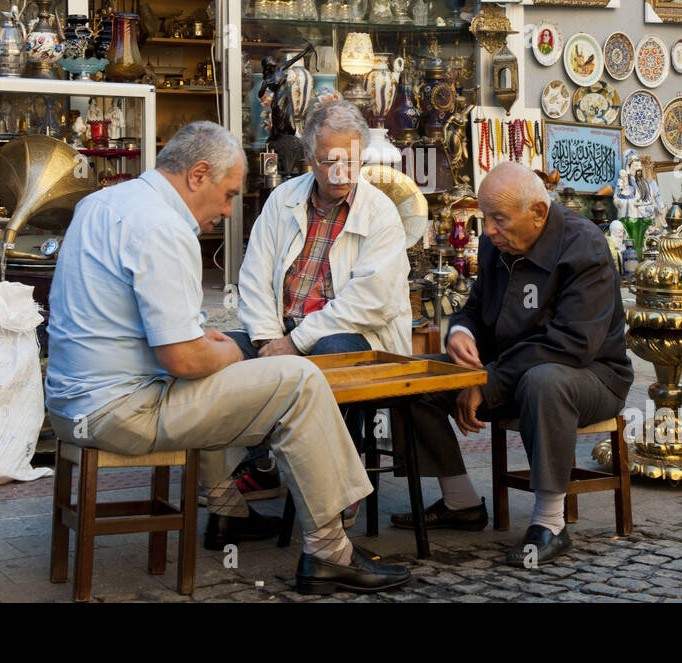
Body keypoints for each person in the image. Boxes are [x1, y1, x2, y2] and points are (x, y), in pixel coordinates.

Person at [44, 121, 410, 595]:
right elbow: (183, 360)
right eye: (229, 194)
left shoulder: (102, 202)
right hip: (119, 410)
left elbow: (160, 335)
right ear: (198, 174)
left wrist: (220, 348)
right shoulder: (162, 226)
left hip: (69, 406)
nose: (227, 209)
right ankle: (329, 549)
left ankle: (229, 509)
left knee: (256, 366)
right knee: (298, 381)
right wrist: (232, 352)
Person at [390, 161, 633, 565]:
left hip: (593, 376)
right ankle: (461, 500)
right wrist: (461, 334)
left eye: (498, 219)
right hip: (506, 370)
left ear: (538, 213)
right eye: (485, 218)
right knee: (414, 378)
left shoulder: (584, 247)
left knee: (545, 381)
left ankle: (550, 522)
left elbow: (571, 345)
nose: (487, 230)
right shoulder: (495, 245)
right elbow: (476, 309)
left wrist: (487, 381)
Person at [225, 101, 412, 506]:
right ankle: (259, 470)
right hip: (282, 333)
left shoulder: (381, 212)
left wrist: (295, 343)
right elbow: (254, 276)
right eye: (331, 161)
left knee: (328, 354)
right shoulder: (282, 200)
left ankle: (330, 487)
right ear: (309, 158)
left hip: (358, 339)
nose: (344, 172)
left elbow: (371, 302)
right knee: (218, 353)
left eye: (353, 160)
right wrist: (265, 340)